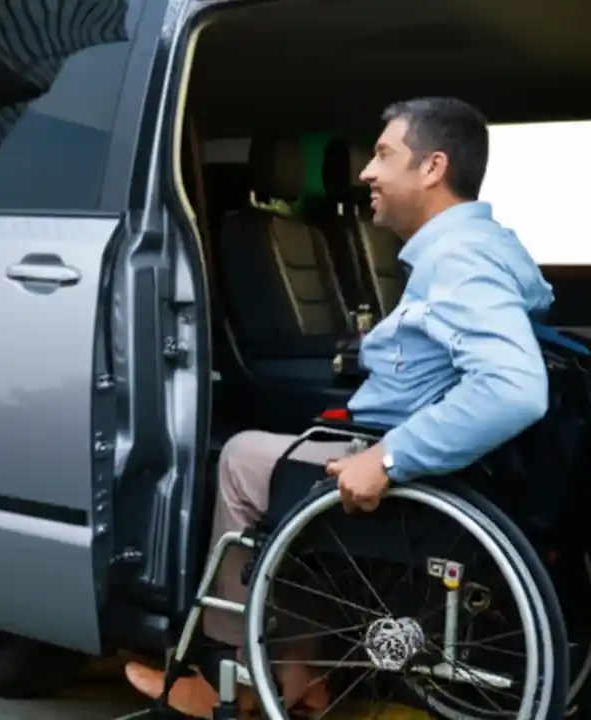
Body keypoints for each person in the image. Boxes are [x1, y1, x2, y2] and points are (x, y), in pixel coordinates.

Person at [124, 96, 556, 717]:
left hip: (418, 469)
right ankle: (302, 673)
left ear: (432, 168)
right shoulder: (485, 245)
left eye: (383, 154)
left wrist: (387, 458)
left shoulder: (458, 258)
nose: (366, 172)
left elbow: (512, 387)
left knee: (242, 460)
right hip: (439, 452)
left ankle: (234, 678)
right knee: (295, 468)